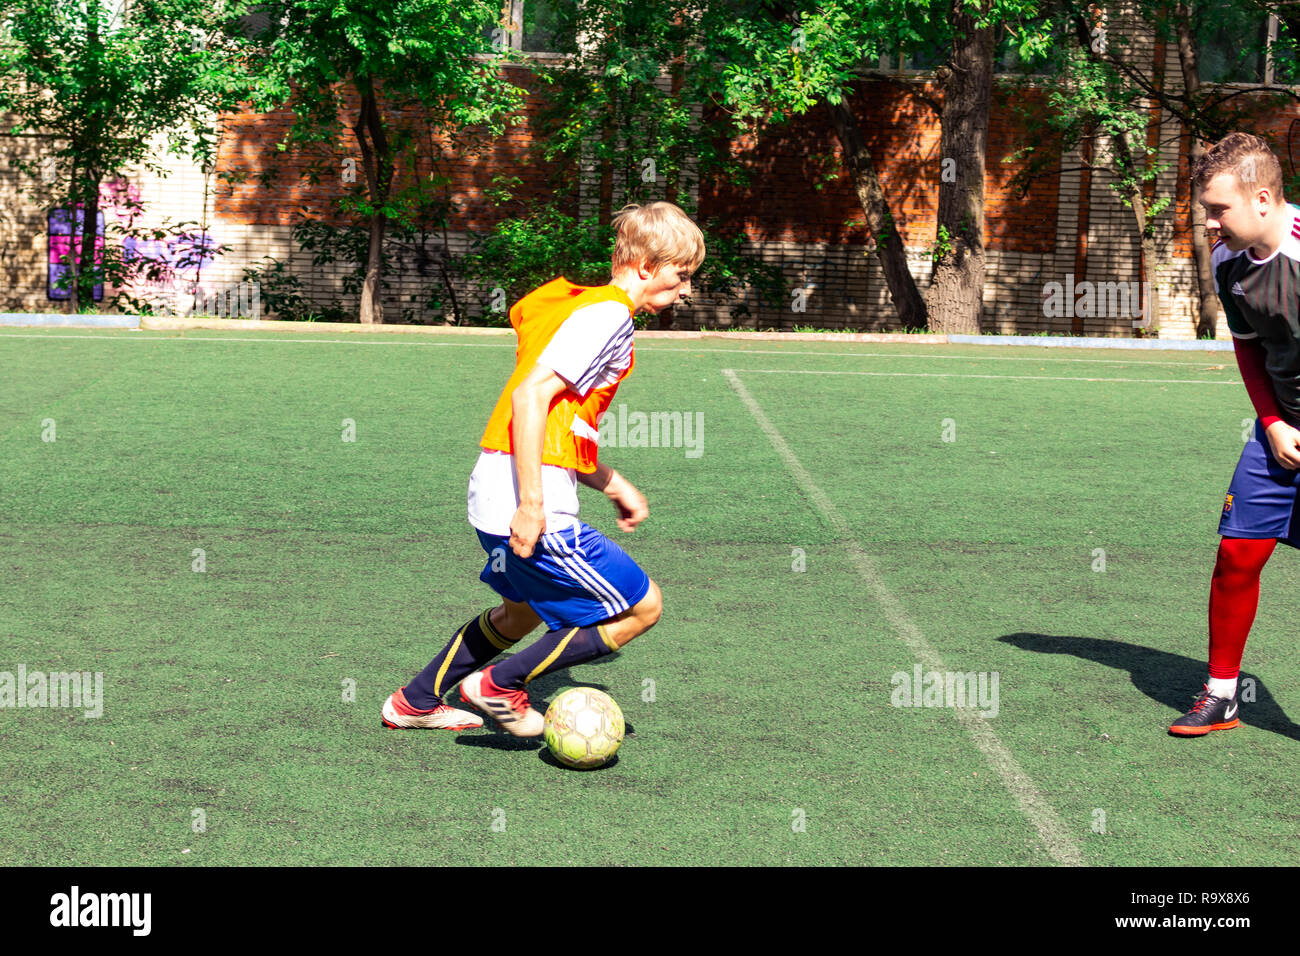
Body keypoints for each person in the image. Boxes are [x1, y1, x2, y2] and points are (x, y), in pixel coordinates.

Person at [382, 201, 705, 736]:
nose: (685, 287)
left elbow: (560, 424)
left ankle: (413, 701)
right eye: (681, 274)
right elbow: (532, 397)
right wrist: (533, 506)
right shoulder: (609, 315)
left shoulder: (585, 306)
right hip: (527, 502)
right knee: (641, 607)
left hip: (492, 489)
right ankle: (498, 685)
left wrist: (612, 482)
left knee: (520, 614)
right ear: (646, 265)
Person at [1173, 132, 1300, 735]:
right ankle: (1222, 693)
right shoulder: (1227, 263)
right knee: (1235, 555)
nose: (1209, 224)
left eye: (1218, 210)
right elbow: (1249, 353)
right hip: (1279, 436)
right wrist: (1273, 424)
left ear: (1265, 200)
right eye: (1206, 211)